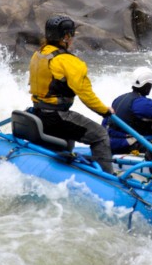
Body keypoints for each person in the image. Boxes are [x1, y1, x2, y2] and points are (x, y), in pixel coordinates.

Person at [29, 14, 115, 174]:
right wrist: (104, 111)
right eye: (72, 35)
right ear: (66, 36)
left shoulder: (38, 54)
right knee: (101, 135)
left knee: (73, 128)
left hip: (38, 112)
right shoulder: (68, 61)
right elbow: (85, 94)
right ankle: (107, 177)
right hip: (56, 117)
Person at [104, 66, 152, 154]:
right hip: (127, 145)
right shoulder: (140, 103)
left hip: (112, 141)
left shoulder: (119, 98)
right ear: (147, 86)